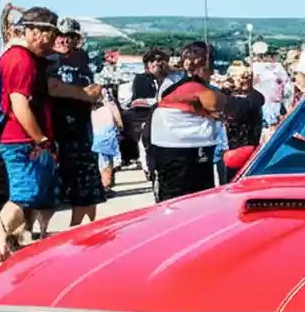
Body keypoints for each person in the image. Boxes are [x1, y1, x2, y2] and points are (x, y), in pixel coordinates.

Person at [0, 7, 60, 264]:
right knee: (24, 195)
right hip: (22, 139)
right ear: (36, 33)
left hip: (21, 139)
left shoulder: (17, 56)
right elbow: (19, 105)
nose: (53, 41)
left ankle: (20, 240)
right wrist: (41, 139)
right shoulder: (21, 60)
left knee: (33, 195)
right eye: (51, 35)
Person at [47, 18, 106, 228]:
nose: (65, 40)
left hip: (80, 129)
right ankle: (36, 232)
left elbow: (96, 88)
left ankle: (80, 229)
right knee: (47, 187)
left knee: (86, 186)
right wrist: (84, 95)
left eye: (71, 36)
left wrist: (91, 94)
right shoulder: (48, 59)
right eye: (61, 35)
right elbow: (52, 88)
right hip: (53, 129)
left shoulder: (82, 57)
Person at [149, 42, 226, 202]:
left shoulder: (174, 83)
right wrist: (224, 92)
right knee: (195, 198)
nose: (212, 71)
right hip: (186, 150)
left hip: (171, 148)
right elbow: (215, 104)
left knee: (176, 197)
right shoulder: (191, 86)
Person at [129, 47, 181, 179]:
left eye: (160, 60)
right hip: (146, 118)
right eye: (152, 61)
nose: (156, 64)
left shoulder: (175, 79)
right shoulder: (142, 79)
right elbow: (138, 100)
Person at [223, 67, 264, 151]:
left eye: (246, 78)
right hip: (233, 134)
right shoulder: (230, 94)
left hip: (248, 135)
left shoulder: (256, 96)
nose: (242, 82)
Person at [91, 91, 123, 191]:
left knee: (99, 164)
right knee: (107, 164)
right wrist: (119, 128)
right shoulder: (109, 107)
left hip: (94, 140)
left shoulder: (89, 111)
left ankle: (101, 185)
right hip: (108, 139)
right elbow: (119, 123)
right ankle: (106, 186)